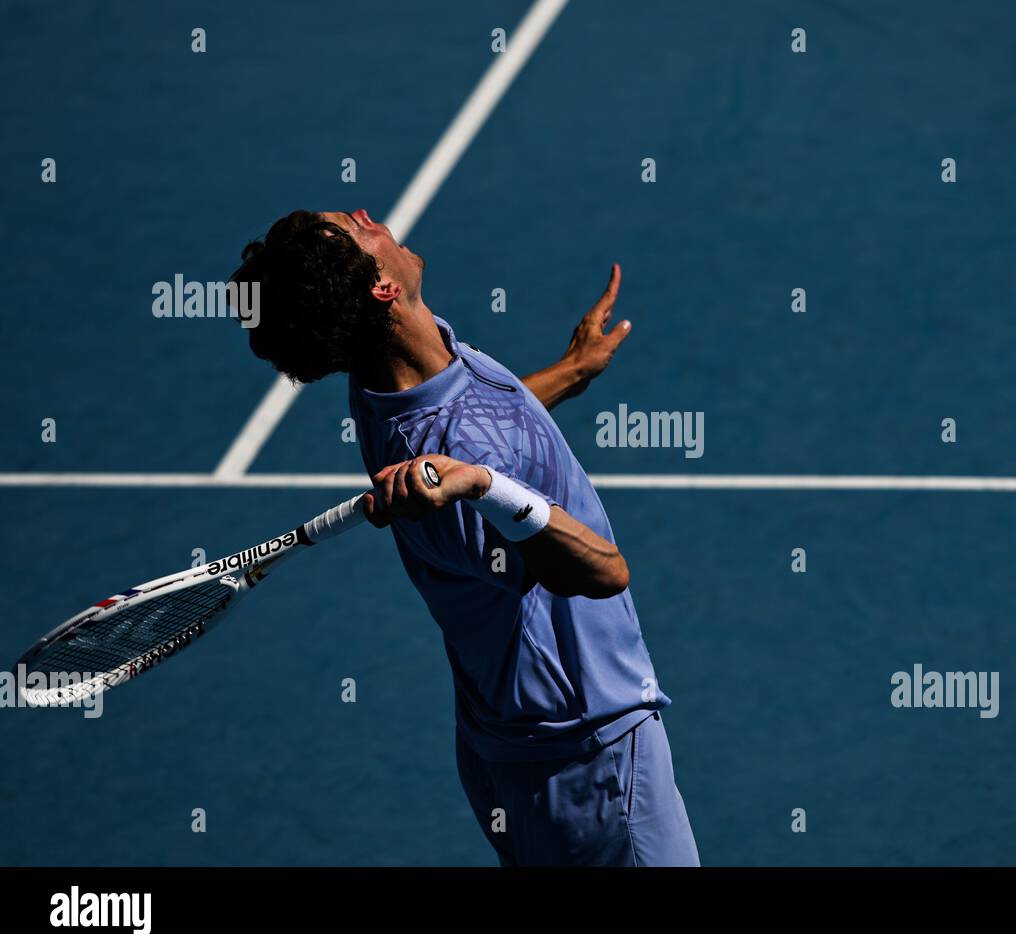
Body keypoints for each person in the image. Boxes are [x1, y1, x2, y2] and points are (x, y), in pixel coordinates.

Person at [230, 208, 698, 866]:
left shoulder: (386, 378)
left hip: (520, 741)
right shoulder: (452, 469)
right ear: (383, 290)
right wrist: (484, 485)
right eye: (358, 228)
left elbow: (489, 435)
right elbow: (601, 574)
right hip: (587, 760)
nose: (371, 217)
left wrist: (568, 373)